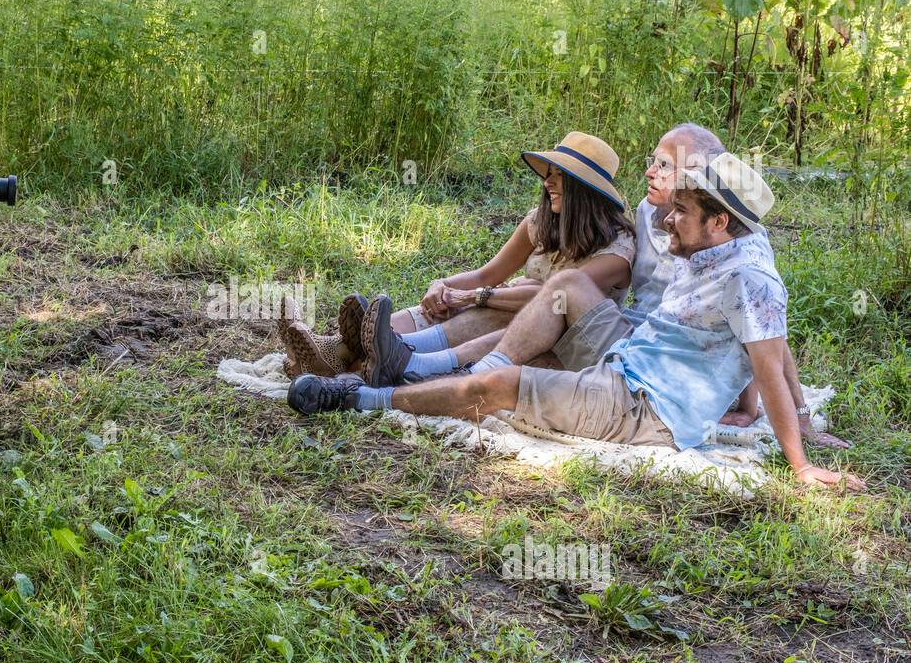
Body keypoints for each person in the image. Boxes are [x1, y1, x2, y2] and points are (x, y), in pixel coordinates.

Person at [289, 153, 865, 491]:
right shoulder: (722, 243)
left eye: (682, 213)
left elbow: (771, 358)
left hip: (643, 404)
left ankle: (361, 397)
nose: (666, 219)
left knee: (500, 386)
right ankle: (412, 365)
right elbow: (760, 344)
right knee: (562, 293)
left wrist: (801, 459)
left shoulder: (751, 281)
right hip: (632, 353)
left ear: (719, 224)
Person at [280, 132, 635, 379]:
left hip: (553, 336)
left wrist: (479, 296)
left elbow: (555, 297)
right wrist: (444, 284)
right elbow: (487, 274)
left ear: (586, 190)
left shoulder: (616, 251)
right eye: (550, 173)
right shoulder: (543, 222)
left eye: (561, 177)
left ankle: (364, 358)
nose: (548, 182)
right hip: (502, 305)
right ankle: (337, 350)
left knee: (494, 308)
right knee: (444, 307)